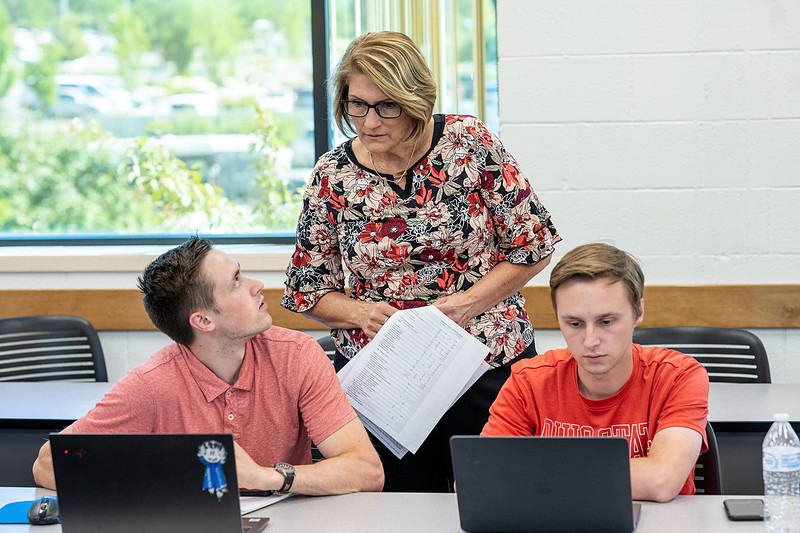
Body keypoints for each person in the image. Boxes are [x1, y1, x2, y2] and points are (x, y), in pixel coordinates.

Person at [282, 31, 560, 492]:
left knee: (504, 496)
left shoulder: (469, 143)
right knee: (398, 508)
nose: (369, 121)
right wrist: (360, 314)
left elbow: (534, 244)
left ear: (417, 100)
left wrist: (468, 303)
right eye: (357, 104)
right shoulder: (332, 176)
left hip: (486, 361)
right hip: (387, 380)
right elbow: (305, 288)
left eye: (387, 105)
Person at [32, 236, 384, 495]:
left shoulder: (297, 355)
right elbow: (48, 464)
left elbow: (367, 471)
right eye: (236, 282)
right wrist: (170, 480)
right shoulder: (152, 383)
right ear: (202, 321)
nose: (257, 285)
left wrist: (269, 477)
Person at [481, 243, 709, 502]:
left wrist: (536, 473)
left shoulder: (678, 376)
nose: (590, 341)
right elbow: (478, 479)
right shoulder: (528, 380)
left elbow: (660, 481)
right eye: (575, 324)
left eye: (606, 322)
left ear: (639, 312)